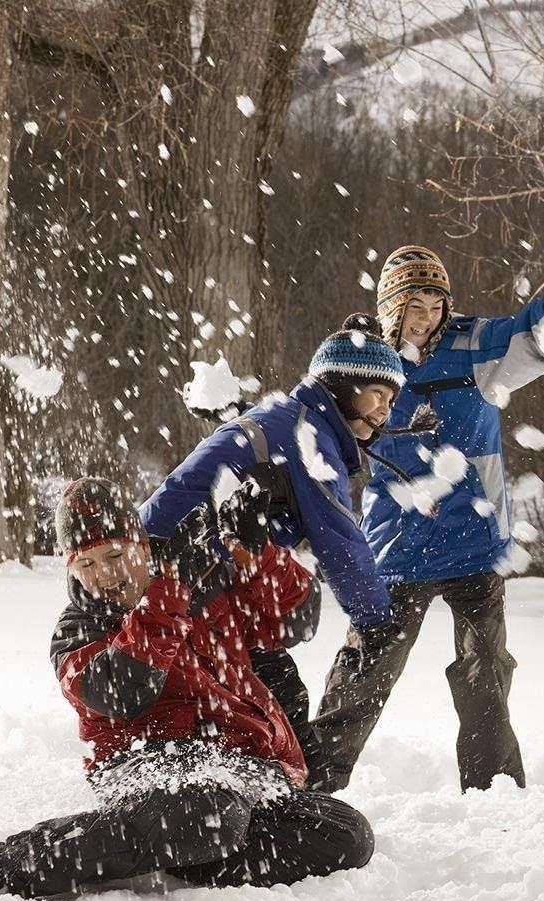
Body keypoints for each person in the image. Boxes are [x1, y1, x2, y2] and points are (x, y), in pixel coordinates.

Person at [0, 478, 373, 899]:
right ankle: (2, 866)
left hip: (238, 768)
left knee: (347, 835)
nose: (105, 574)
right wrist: (168, 594)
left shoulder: (205, 584)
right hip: (146, 768)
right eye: (87, 565)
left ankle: (186, 852)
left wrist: (255, 553)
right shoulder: (78, 630)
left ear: (143, 545)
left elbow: (296, 622)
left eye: (115, 555)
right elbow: (125, 690)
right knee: (208, 813)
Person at [310, 236, 544, 793]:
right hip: (398, 545)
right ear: (389, 310)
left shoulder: (474, 347)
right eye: (413, 308)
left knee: (486, 675)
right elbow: (310, 415)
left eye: (435, 307)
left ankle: (494, 791)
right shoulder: (364, 359)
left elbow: (533, 331)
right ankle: (311, 782)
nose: (425, 321)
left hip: (474, 541)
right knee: (367, 670)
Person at [140, 320, 408, 779]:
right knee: (275, 699)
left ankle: (264, 794)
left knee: (261, 687)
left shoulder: (291, 418)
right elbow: (340, 543)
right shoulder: (310, 441)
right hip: (185, 578)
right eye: (377, 395)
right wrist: (377, 619)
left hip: (181, 575)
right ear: (341, 387)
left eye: (391, 399)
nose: (385, 410)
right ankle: (291, 807)